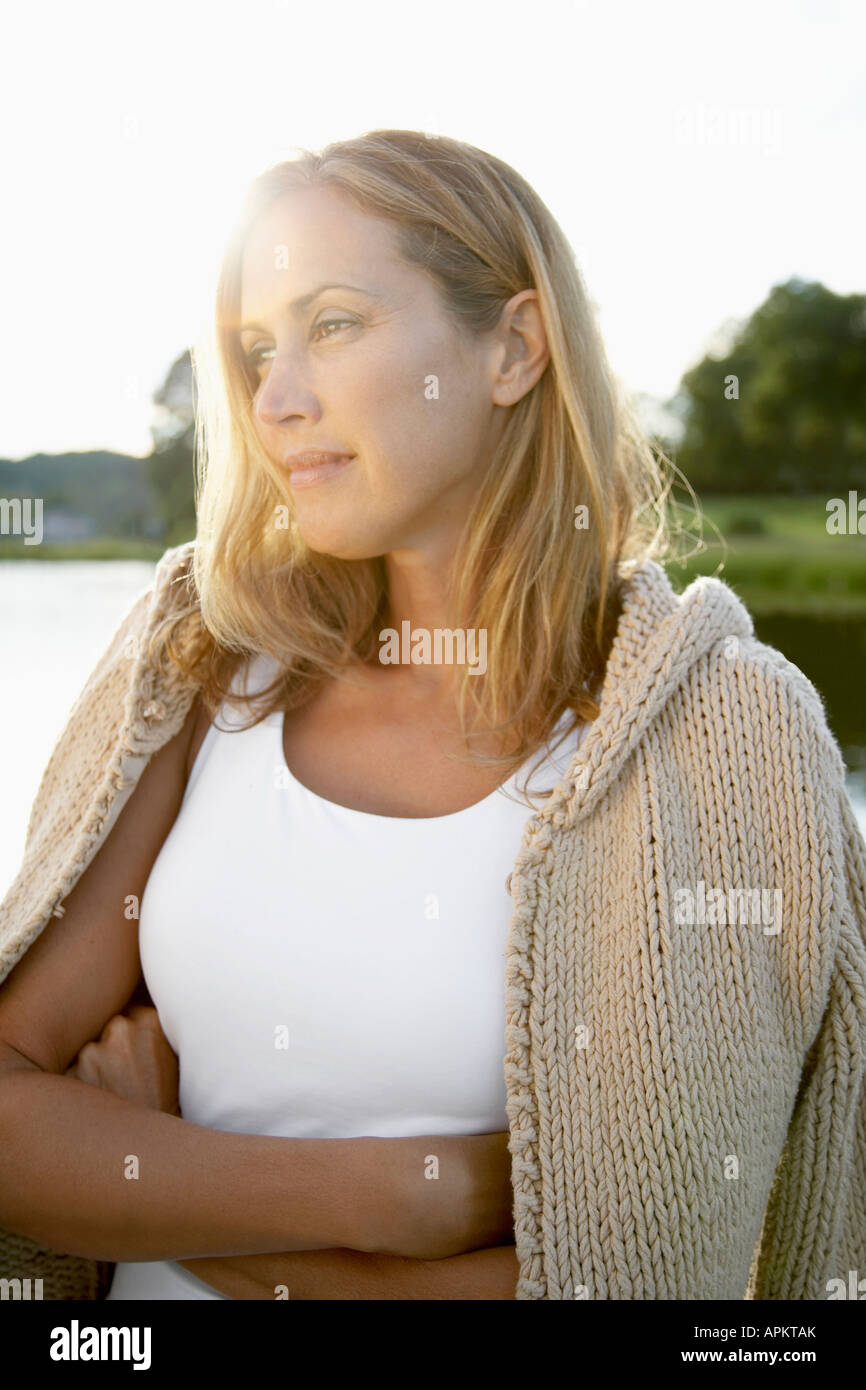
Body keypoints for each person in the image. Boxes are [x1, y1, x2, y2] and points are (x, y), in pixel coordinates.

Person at [0, 129, 864, 1301]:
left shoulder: (717, 742)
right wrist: (407, 1197)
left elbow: (643, 1280)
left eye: (336, 325)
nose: (276, 398)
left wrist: (166, 1192)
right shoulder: (204, 667)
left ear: (511, 347)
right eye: (257, 349)